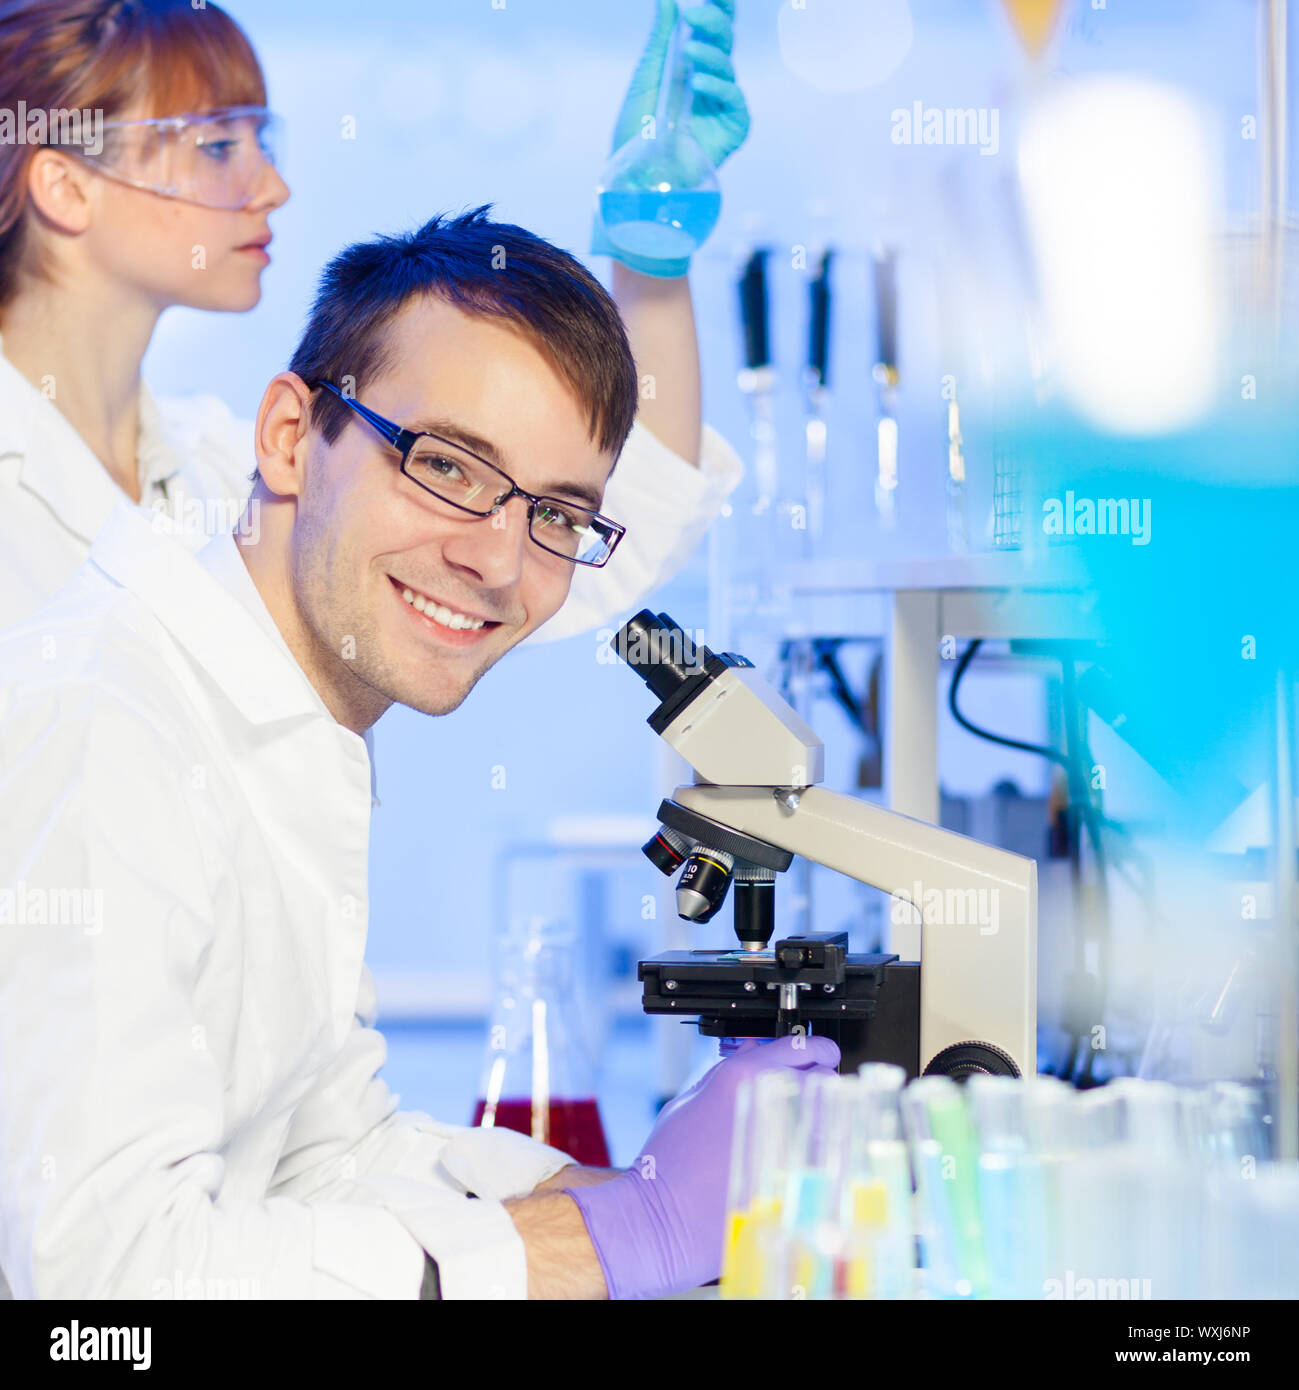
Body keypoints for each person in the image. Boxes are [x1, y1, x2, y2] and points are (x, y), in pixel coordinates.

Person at [0, 208, 838, 1300]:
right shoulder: (107, 720)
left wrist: (630, 1191)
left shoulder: (290, 719)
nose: (496, 558)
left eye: (556, 514)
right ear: (291, 438)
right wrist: (614, 1234)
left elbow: (326, 1153)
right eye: (446, 465)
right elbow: (100, 1279)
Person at [0, 0, 747, 637]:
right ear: (66, 187)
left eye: (263, 142)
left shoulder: (221, 468)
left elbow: (586, 531)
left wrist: (649, 243)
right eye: (218, 145)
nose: (273, 186)